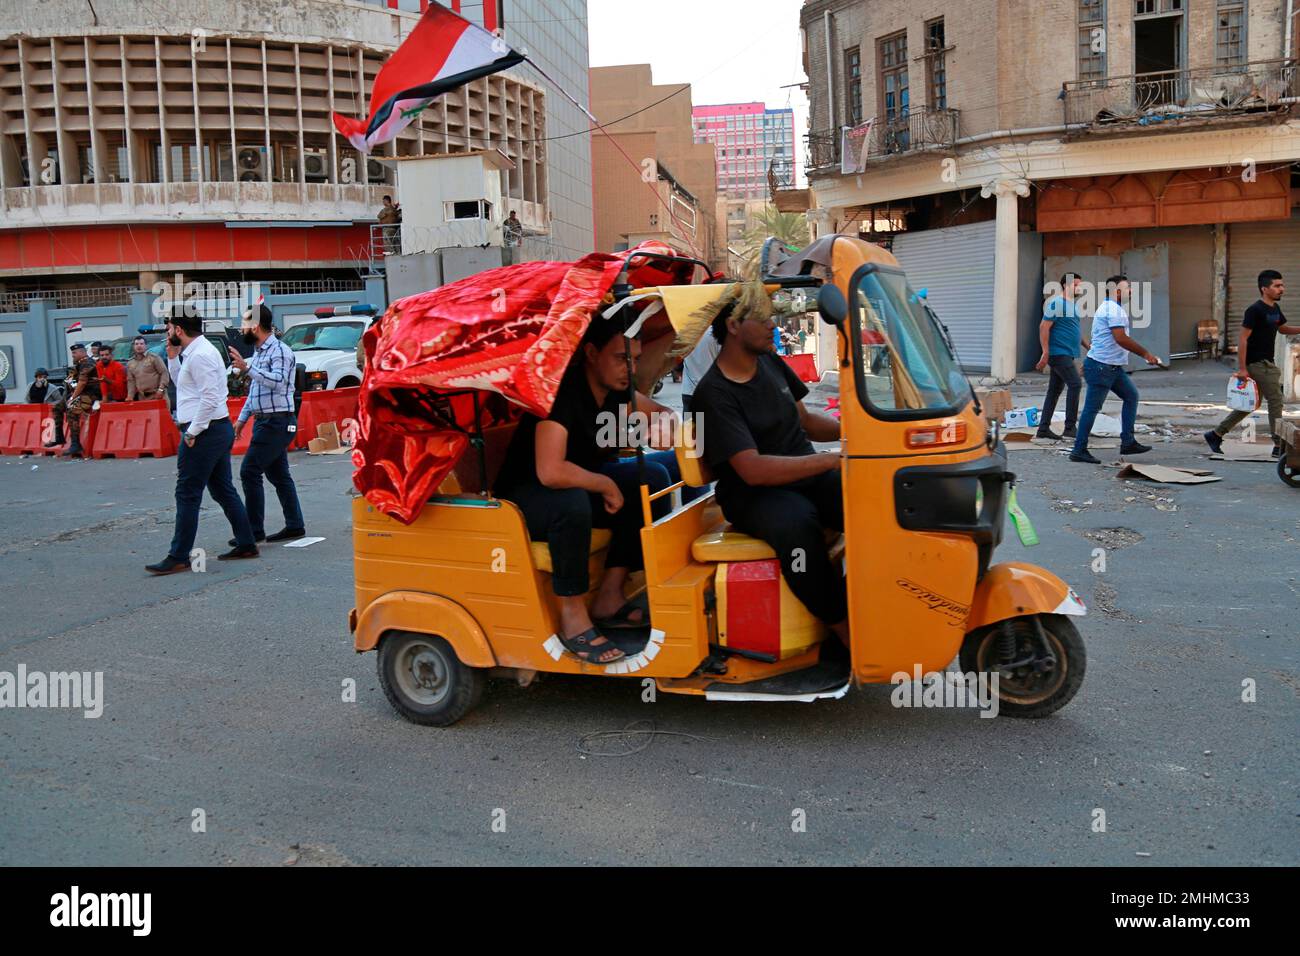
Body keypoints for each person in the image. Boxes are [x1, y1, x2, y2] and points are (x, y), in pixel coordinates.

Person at [494, 319, 676, 664]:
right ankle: (572, 613)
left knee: (650, 475)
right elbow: (550, 472)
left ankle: (610, 594)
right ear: (591, 353)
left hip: (575, 482)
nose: (630, 368)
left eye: (635, 359)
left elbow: (660, 413)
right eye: (621, 359)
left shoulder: (616, 389)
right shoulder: (562, 393)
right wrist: (604, 484)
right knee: (572, 501)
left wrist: (663, 426)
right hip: (526, 495)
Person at [689, 282, 849, 645]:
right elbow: (752, 469)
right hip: (751, 494)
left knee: (868, 500)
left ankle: (870, 598)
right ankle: (841, 627)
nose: (773, 326)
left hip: (801, 474)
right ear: (733, 325)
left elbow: (806, 422)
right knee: (797, 527)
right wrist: (826, 463)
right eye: (763, 319)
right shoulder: (713, 394)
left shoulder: (770, 362)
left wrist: (857, 431)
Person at [145, 308, 258, 575]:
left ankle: (179, 555)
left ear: (179, 330)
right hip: (210, 429)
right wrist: (172, 359)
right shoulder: (194, 352)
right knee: (221, 489)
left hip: (205, 431)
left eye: (169, 328)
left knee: (187, 493)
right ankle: (246, 542)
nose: (167, 333)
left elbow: (209, 399)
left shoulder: (202, 355)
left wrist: (193, 432)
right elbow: (185, 386)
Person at [227, 303, 305, 545]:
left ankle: (253, 531)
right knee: (279, 475)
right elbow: (256, 391)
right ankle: (294, 525)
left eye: (244, 324)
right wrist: (242, 418)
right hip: (266, 421)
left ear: (256, 326)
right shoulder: (260, 352)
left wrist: (248, 367)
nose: (241, 329)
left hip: (277, 421)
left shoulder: (279, 351)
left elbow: (279, 382)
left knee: (249, 471)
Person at [1204, 270, 1298, 458]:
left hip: (1266, 362)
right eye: (1277, 286)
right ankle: (1278, 445)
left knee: (1251, 404)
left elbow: (1282, 328)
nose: (1282, 289)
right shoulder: (1255, 310)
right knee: (1276, 400)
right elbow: (1243, 339)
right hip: (1257, 363)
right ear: (1265, 288)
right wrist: (1242, 368)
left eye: (1282, 285)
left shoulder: (1275, 309)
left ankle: (1216, 434)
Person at [1069, 275, 1161, 464]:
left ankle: (1128, 441)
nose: (1131, 291)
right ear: (1116, 291)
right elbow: (1120, 338)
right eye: (1127, 288)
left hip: (1109, 366)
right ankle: (1079, 450)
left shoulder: (1110, 308)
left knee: (1131, 396)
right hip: (1102, 367)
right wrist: (1146, 354)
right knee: (1092, 409)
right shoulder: (1112, 310)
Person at [1035, 273, 1089, 440]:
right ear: (1065, 285)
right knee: (1075, 384)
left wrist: (1088, 346)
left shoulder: (1071, 305)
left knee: (1054, 391)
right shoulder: (1057, 303)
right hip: (1059, 353)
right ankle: (1070, 427)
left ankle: (1043, 429)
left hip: (1067, 353)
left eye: (1080, 285)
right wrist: (1045, 351)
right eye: (1075, 285)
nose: (1078, 288)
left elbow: (1074, 330)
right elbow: (1044, 327)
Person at [44, 342, 100, 457]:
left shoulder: (88, 363)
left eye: (74, 353)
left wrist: (72, 398)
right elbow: (70, 380)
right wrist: (68, 396)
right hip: (80, 394)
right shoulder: (78, 364)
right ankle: (59, 437)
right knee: (57, 408)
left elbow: (83, 382)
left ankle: (75, 444)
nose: (72, 355)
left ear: (82, 352)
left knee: (71, 409)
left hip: (91, 394)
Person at [680, 333, 720, 414]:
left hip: (689, 392)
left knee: (693, 426)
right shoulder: (716, 334)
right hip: (711, 394)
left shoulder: (686, 334)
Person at [126, 336, 170, 402]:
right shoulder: (130, 363)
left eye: (141, 344)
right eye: (136, 344)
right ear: (133, 346)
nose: (139, 346)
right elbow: (131, 381)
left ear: (146, 345)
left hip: (158, 395)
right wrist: (130, 396)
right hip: (142, 398)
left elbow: (164, 373)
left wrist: (161, 389)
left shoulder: (154, 358)